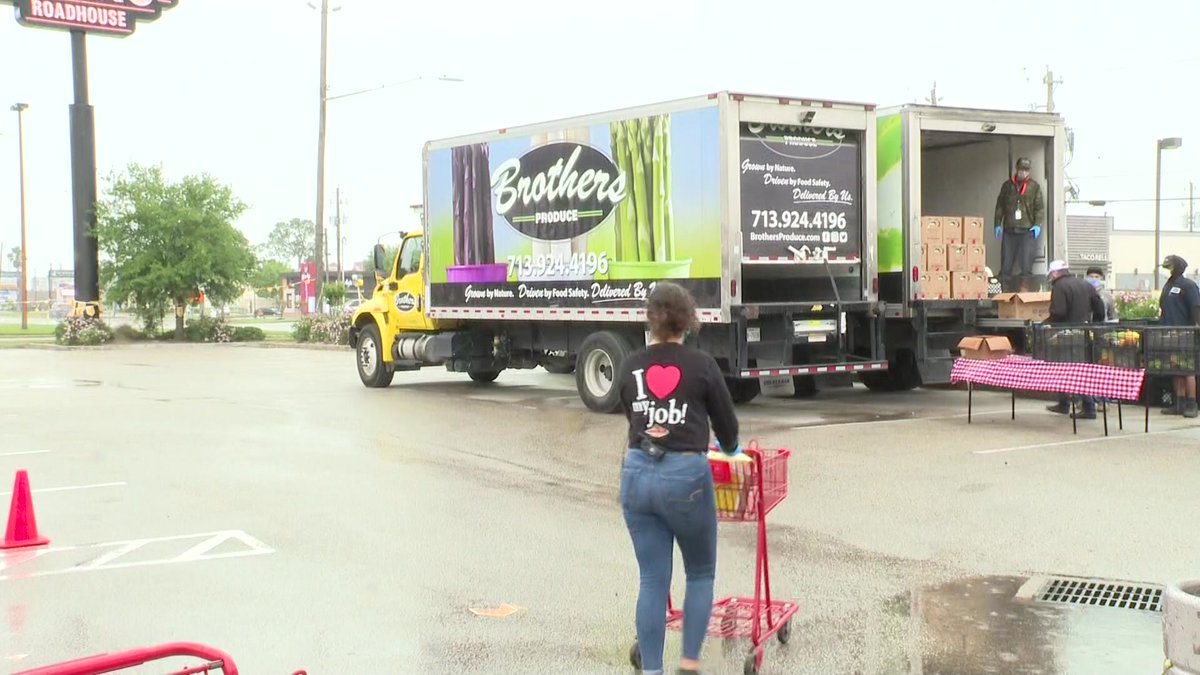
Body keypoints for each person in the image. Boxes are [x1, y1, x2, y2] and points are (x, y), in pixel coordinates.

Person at [619, 281, 740, 675]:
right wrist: (731, 448)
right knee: (700, 572)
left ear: (651, 320)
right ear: (688, 321)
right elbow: (727, 426)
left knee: (653, 579)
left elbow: (632, 416)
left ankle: (652, 669)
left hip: (637, 472)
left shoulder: (631, 365)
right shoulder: (702, 365)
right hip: (685, 478)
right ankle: (688, 662)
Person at [1044, 260, 1106, 419]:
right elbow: (1099, 309)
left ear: (1055, 273)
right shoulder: (1085, 284)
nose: (1050, 278)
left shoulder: (1060, 286)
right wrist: (1095, 324)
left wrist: (1047, 324)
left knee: (1063, 369)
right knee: (1081, 369)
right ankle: (1076, 404)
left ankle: (1081, 406)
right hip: (1084, 332)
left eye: (1051, 274)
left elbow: (1058, 312)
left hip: (1065, 333)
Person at [1158, 255, 1200, 418]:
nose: (1167, 270)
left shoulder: (1188, 285)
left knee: (1188, 369)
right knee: (1174, 368)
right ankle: (1179, 402)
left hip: (1186, 332)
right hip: (1169, 332)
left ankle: (1191, 404)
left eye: (1169, 267)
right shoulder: (1168, 286)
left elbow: (1196, 307)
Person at [994, 157, 1045, 292]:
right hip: (1009, 229)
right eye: (1021, 169)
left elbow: (1039, 208)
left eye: (1026, 169)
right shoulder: (1007, 186)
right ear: (1016, 169)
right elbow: (1000, 206)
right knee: (1006, 262)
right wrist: (997, 223)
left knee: (1026, 261)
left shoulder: (1034, 187)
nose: (1023, 172)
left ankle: (1025, 287)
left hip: (1027, 230)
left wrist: (1037, 224)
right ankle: (1004, 288)